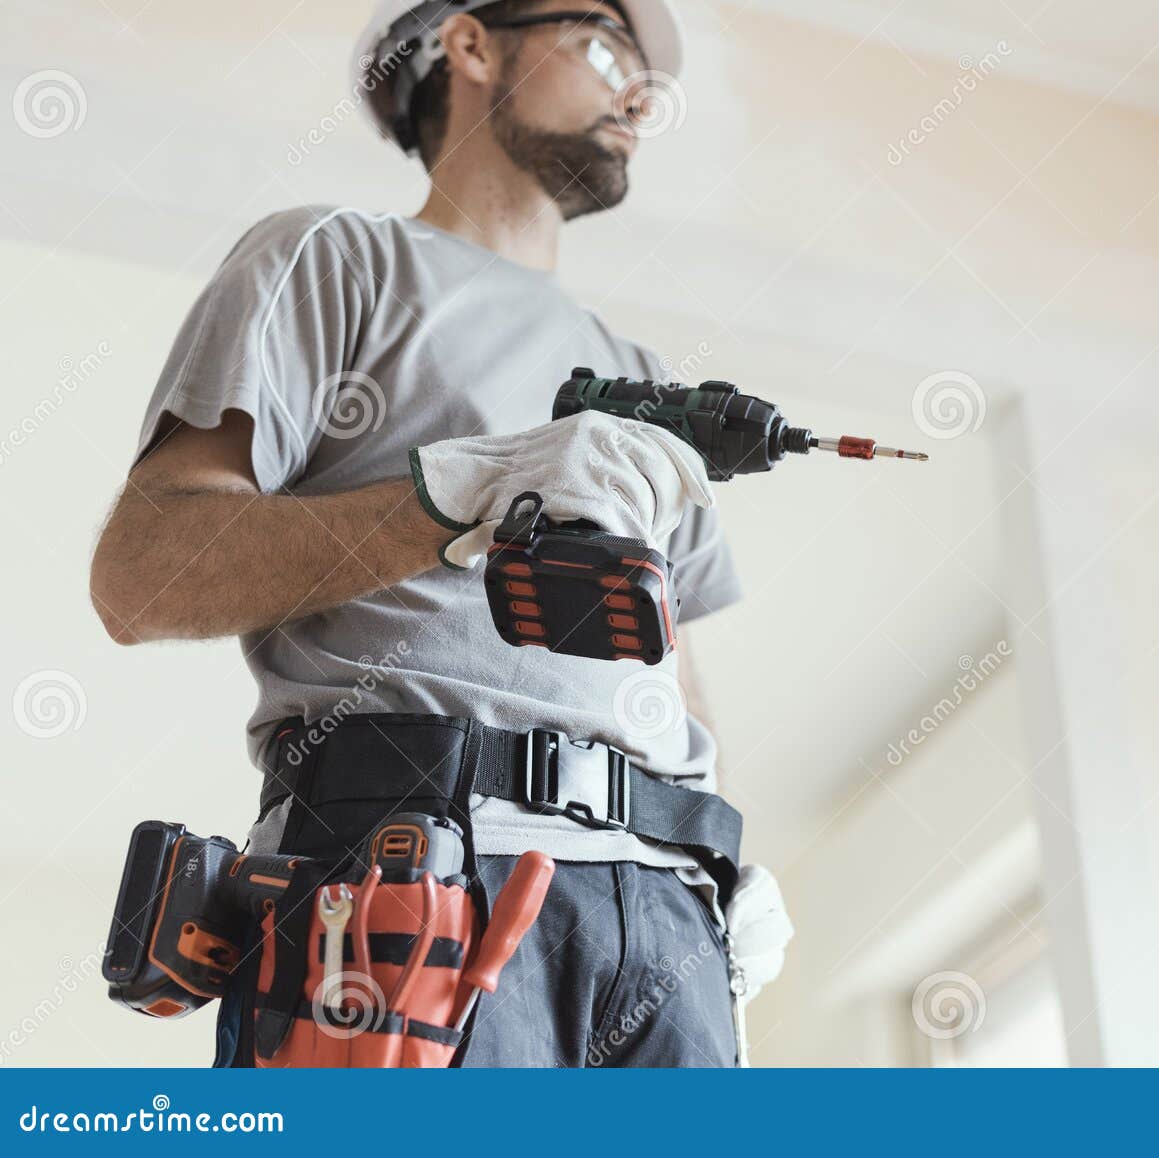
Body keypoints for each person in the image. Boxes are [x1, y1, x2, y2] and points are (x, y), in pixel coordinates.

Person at [88, 0, 791, 1068]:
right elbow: (142, 578)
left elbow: (673, 684)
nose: (639, 93)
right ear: (470, 44)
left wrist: (718, 850)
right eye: (606, 48)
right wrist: (462, 494)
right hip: (416, 869)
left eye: (648, 80)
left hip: (667, 911)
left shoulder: (643, 381)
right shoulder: (332, 260)